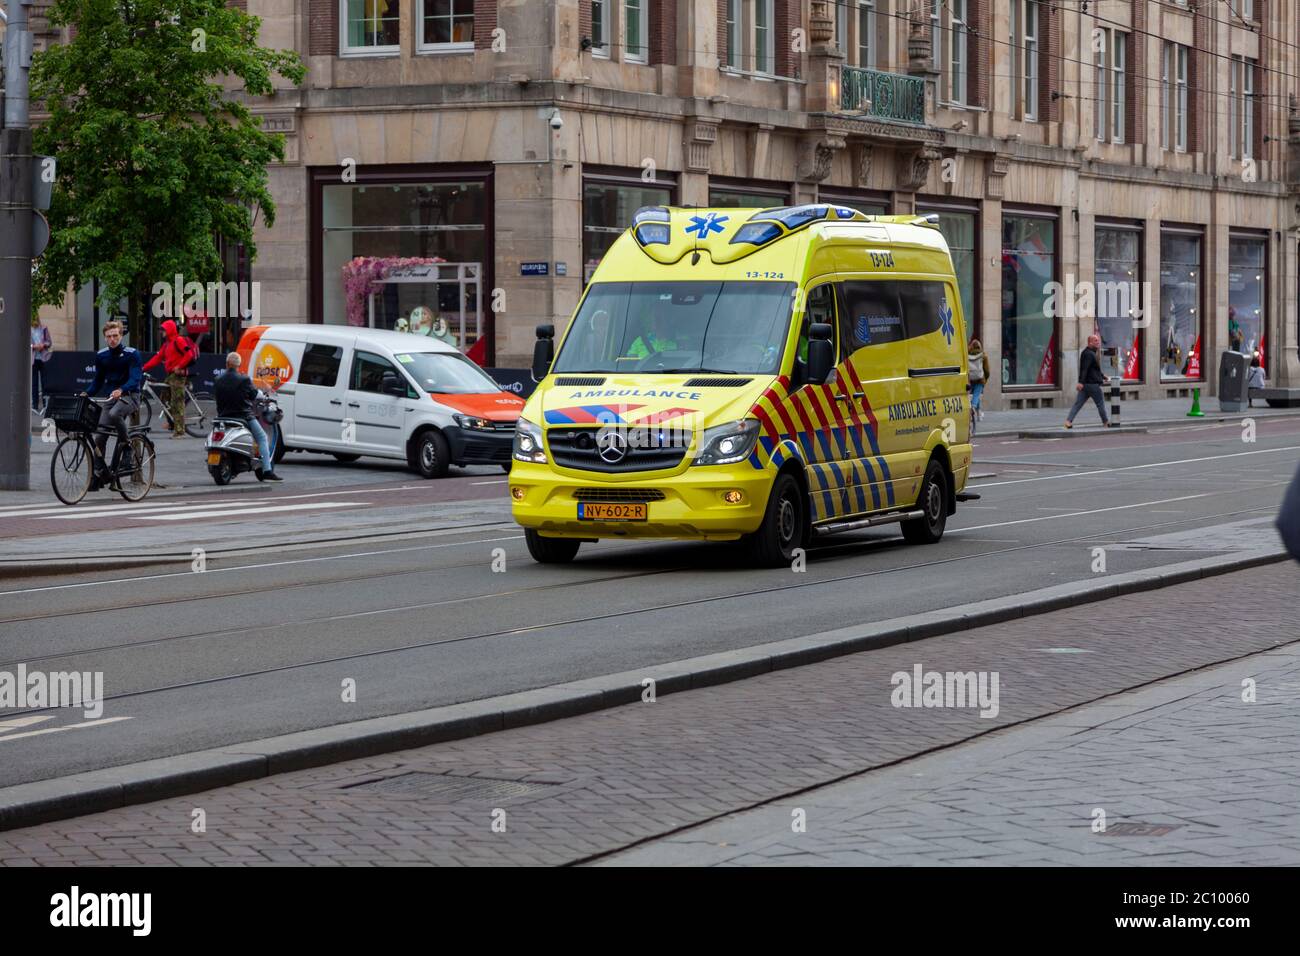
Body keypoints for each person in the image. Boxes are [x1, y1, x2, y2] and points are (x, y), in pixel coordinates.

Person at [82, 321, 144, 476]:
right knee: (100, 435)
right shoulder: (102, 356)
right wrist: (87, 393)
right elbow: (98, 380)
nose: (112, 339)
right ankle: (98, 471)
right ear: (104, 338)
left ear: (121, 336)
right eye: (109, 336)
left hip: (130, 396)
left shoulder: (132, 354)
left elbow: (136, 378)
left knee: (115, 414)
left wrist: (122, 389)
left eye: (115, 335)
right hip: (111, 398)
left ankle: (128, 449)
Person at [215, 352, 281, 481]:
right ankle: (267, 471)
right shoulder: (244, 379)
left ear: (227, 364)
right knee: (262, 437)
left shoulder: (218, 379)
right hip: (243, 417)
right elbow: (255, 395)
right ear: (238, 365)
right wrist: (263, 394)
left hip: (222, 416)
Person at [142, 319, 198, 438]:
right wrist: (143, 368)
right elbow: (157, 359)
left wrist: (179, 366)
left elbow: (189, 355)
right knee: (164, 398)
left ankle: (179, 431)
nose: (161, 332)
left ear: (170, 330)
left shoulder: (179, 340)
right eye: (161, 329)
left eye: (163, 329)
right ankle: (173, 423)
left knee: (177, 402)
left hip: (178, 375)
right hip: (171, 375)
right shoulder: (166, 344)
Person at [1064, 333, 1112, 429]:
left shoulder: (1089, 353)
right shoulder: (1089, 354)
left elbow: (1093, 369)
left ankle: (1068, 422)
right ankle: (1106, 422)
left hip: (1086, 385)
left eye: (1098, 340)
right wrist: (1080, 382)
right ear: (1090, 343)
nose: (1098, 342)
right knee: (1100, 403)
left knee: (1078, 404)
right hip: (1092, 385)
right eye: (1095, 341)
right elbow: (1084, 369)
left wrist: (1103, 376)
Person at [30, 316, 53, 412]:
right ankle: (35, 406)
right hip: (33, 359)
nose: (34, 321)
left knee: (44, 382)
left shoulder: (44, 328)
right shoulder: (28, 329)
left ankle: (45, 404)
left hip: (43, 358)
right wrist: (34, 346)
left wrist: (43, 345)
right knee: (34, 383)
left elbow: (49, 342)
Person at [967, 338, 990, 420]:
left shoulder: (966, 355)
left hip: (970, 379)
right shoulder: (983, 356)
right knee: (976, 395)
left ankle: (979, 414)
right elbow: (987, 370)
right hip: (980, 379)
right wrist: (985, 379)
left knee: (976, 396)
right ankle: (972, 408)